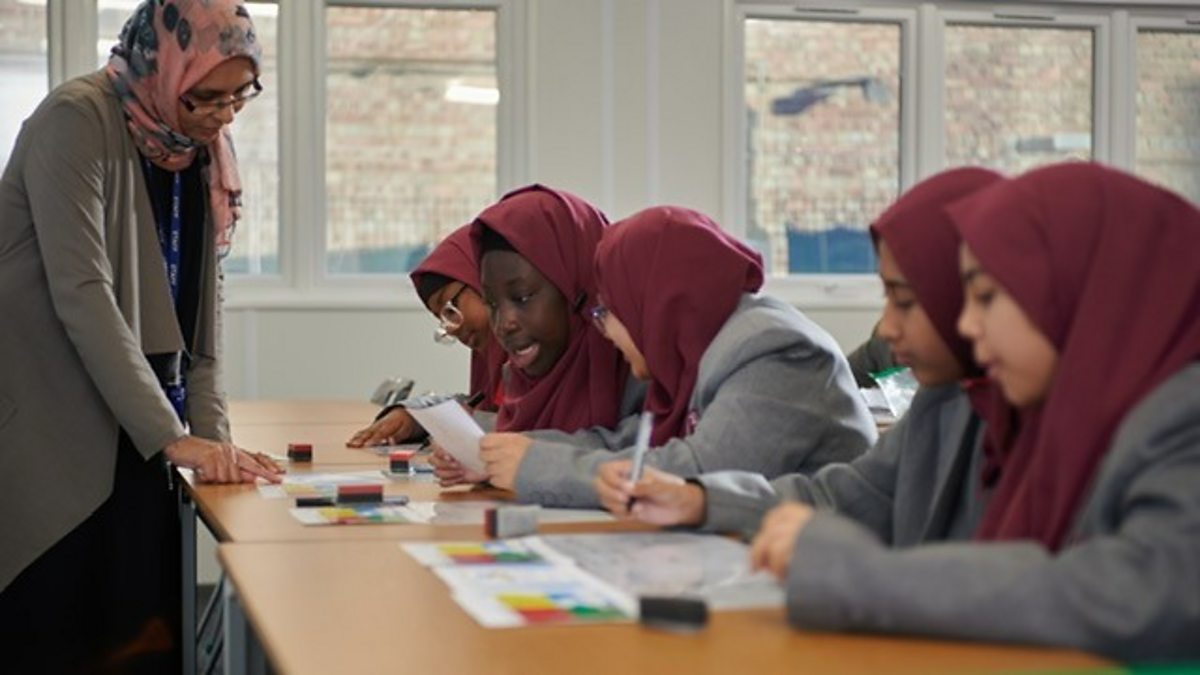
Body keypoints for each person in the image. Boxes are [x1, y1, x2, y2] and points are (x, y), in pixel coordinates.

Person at [615, 163, 1200, 660]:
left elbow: (1143, 589)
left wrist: (866, 577)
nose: (968, 324)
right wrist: (703, 498)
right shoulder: (976, 403)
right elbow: (849, 498)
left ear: (1076, 289)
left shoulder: (1177, 416)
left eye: (987, 298)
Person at [0, 1, 281, 670]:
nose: (223, 115)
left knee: (143, 638)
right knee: (60, 635)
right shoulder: (76, 119)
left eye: (240, 96)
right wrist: (171, 433)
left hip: (141, 430)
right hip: (57, 426)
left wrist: (215, 443)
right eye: (207, 96)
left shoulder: (198, 151)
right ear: (164, 64)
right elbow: (85, 292)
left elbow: (201, 318)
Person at [594, 168, 1006, 535]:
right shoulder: (947, 401)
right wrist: (701, 501)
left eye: (904, 300)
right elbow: (846, 495)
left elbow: (1026, 584)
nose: (888, 327)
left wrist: (843, 567)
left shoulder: (769, 346)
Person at [481, 206, 876, 506]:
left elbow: (694, 475)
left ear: (655, 303)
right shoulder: (699, 351)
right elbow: (632, 442)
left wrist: (534, 468)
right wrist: (509, 450)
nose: (605, 330)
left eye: (609, 311)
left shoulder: (772, 350)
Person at [430, 184, 641, 485]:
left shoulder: (638, 359)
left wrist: (520, 458)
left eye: (523, 297)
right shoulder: (519, 373)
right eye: (492, 303)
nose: (504, 324)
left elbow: (639, 452)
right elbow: (518, 435)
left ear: (575, 287)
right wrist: (488, 455)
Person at [346, 223, 505, 447]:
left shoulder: (541, 349)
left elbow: (523, 428)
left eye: (450, 309)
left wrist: (450, 425)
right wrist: (414, 416)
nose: (450, 328)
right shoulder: (498, 357)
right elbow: (481, 404)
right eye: (442, 318)